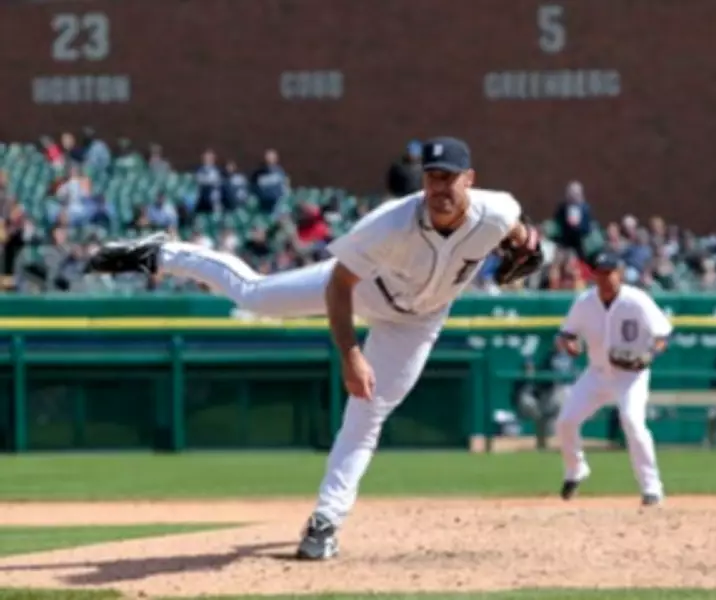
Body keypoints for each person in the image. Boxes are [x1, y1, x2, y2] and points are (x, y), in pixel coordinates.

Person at [84, 136, 544, 560]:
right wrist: (350, 355)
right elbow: (340, 284)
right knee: (254, 296)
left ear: (470, 180)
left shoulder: (499, 211)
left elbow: (523, 234)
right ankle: (161, 254)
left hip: (418, 322)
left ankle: (325, 522)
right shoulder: (388, 225)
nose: (439, 186)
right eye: (432, 176)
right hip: (362, 290)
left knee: (367, 414)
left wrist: (529, 247)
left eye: (449, 176)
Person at [554, 250, 672, 506]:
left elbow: (663, 334)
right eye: (601, 273)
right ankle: (576, 469)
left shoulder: (637, 300)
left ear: (620, 274)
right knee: (566, 421)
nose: (607, 278)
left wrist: (651, 353)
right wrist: (569, 344)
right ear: (594, 275)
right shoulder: (585, 302)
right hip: (597, 373)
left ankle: (652, 488)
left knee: (632, 422)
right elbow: (566, 333)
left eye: (611, 272)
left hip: (631, 376)